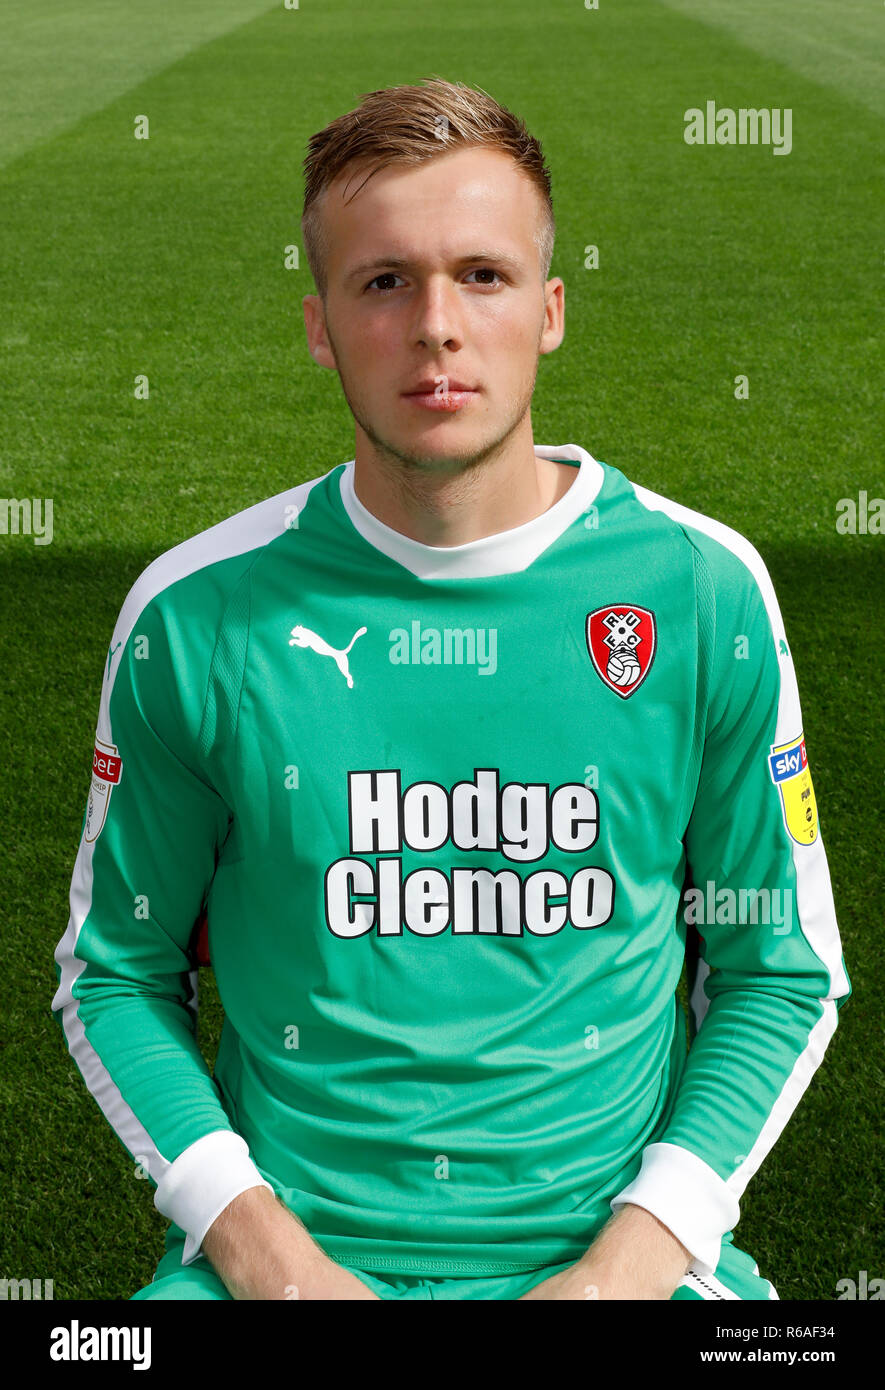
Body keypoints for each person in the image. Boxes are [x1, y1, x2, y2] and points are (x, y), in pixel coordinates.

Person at [51, 77, 850, 1302]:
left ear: (550, 310)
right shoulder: (195, 614)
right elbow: (115, 973)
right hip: (284, 1274)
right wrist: (273, 1263)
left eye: (482, 274)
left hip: (629, 1274)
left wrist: (619, 1271)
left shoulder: (699, 591)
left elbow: (778, 970)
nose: (436, 324)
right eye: (385, 281)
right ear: (321, 324)